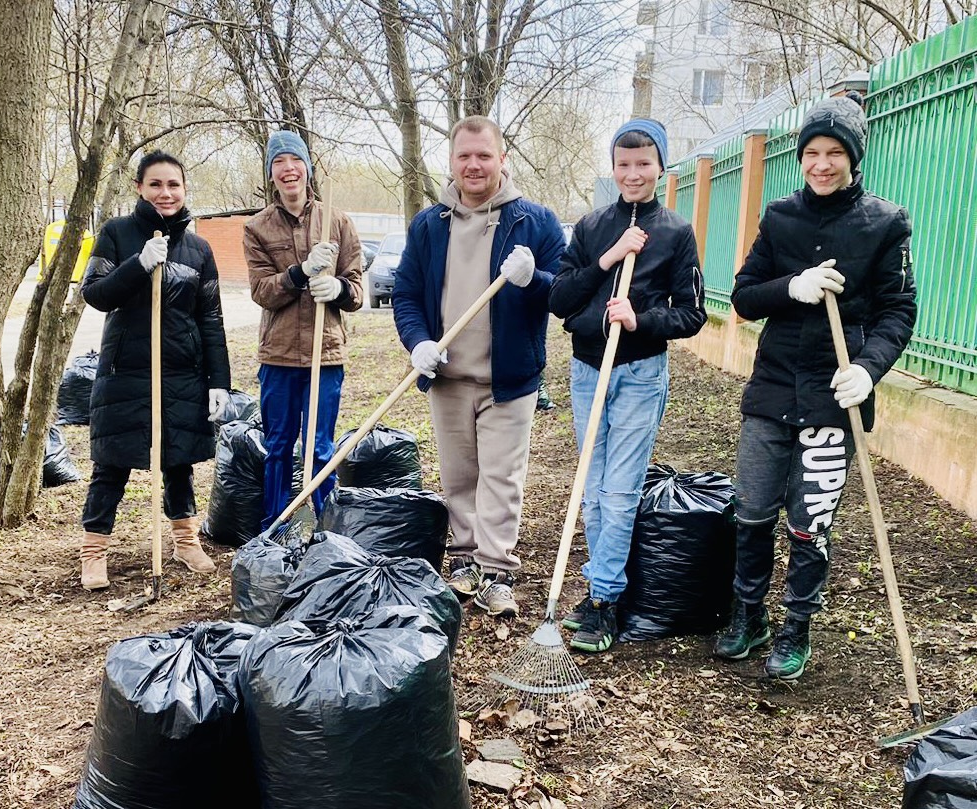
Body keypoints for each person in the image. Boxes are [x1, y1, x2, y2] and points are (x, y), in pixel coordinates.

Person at [713, 92, 917, 680]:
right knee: (751, 510)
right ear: (800, 158)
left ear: (855, 157)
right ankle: (747, 617)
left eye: (834, 153)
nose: (821, 164)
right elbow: (746, 296)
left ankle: (794, 627)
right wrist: (792, 286)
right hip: (772, 391)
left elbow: (898, 310)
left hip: (835, 395)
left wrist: (868, 368)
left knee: (811, 519)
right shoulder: (780, 217)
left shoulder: (885, 223)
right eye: (812, 153)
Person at [392, 115, 566, 618]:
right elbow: (405, 294)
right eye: (464, 156)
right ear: (451, 162)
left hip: (508, 378)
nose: (473, 165)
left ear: (501, 159)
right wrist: (418, 342)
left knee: (501, 476)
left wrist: (534, 277)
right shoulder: (429, 225)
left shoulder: (535, 222)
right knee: (458, 476)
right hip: (447, 375)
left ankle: (495, 570)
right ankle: (465, 561)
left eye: (483, 155)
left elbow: (565, 293)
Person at [549, 118, 707, 652]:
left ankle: (604, 600)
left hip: (639, 373)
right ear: (612, 167)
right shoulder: (592, 226)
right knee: (591, 492)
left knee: (618, 492)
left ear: (661, 166)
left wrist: (641, 319)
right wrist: (609, 258)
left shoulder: (676, 232)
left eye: (644, 164)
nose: (633, 173)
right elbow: (561, 298)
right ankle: (600, 584)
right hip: (586, 371)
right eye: (624, 163)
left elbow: (691, 314)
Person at [78, 150, 231, 590]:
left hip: (181, 372)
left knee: (178, 459)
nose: (166, 193)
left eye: (174, 185)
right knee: (112, 464)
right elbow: (97, 294)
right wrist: (139, 263)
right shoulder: (116, 233)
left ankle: (185, 541)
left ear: (184, 190)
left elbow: (211, 319)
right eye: (156, 185)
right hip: (126, 370)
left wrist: (219, 381)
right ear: (140, 188)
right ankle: (94, 551)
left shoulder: (198, 248)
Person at [244, 130, 364, 529]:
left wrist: (339, 288)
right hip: (278, 356)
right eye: (279, 162)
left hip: (325, 354)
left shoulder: (337, 221)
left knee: (319, 446)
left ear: (307, 169)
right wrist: (301, 273)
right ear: (271, 173)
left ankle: (323, 526)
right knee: (278, 445)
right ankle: (275, 526)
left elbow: (358, 290)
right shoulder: (257, 228)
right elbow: (262, 291)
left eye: (294, 160)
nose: (288, 169)